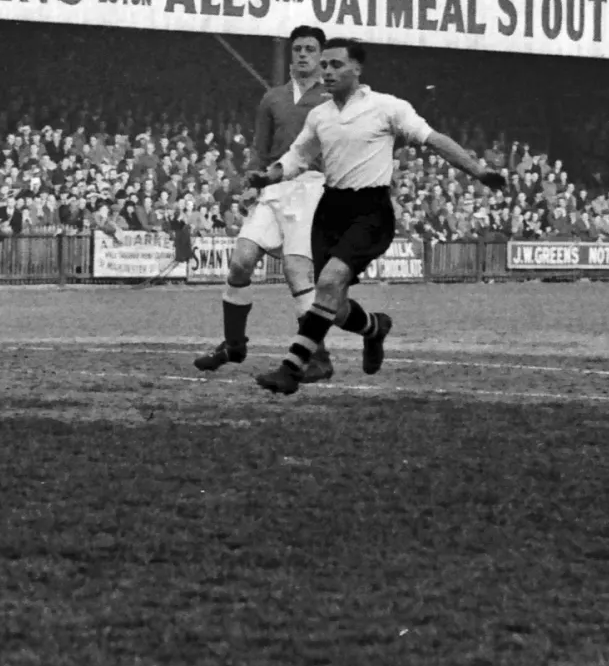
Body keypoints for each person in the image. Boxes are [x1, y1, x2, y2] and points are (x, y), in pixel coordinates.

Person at [245, 39, 506, 395]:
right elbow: (296, 157)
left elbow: (433, 139)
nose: (327, 71)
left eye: (336, 65)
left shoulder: (387, 108)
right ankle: (374, 327)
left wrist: (478, 171)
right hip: (330, 209)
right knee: (332, 306)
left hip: (370, 210)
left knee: (328, 282)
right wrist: (268, 176)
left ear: (357, 69)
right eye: (324, 65)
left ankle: (292, 368)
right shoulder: (320, 115)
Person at [194, 25, 336, 383]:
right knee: (240, 262)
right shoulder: (273, 98)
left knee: (296, 272)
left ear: (322, 56)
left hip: (311, 190)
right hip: (274, 189)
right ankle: (234, 345)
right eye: (298, 49)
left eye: (310, 49)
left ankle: (318, 357)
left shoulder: (334, 99)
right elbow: (260, 148)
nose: (303, 54)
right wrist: (252, 180)